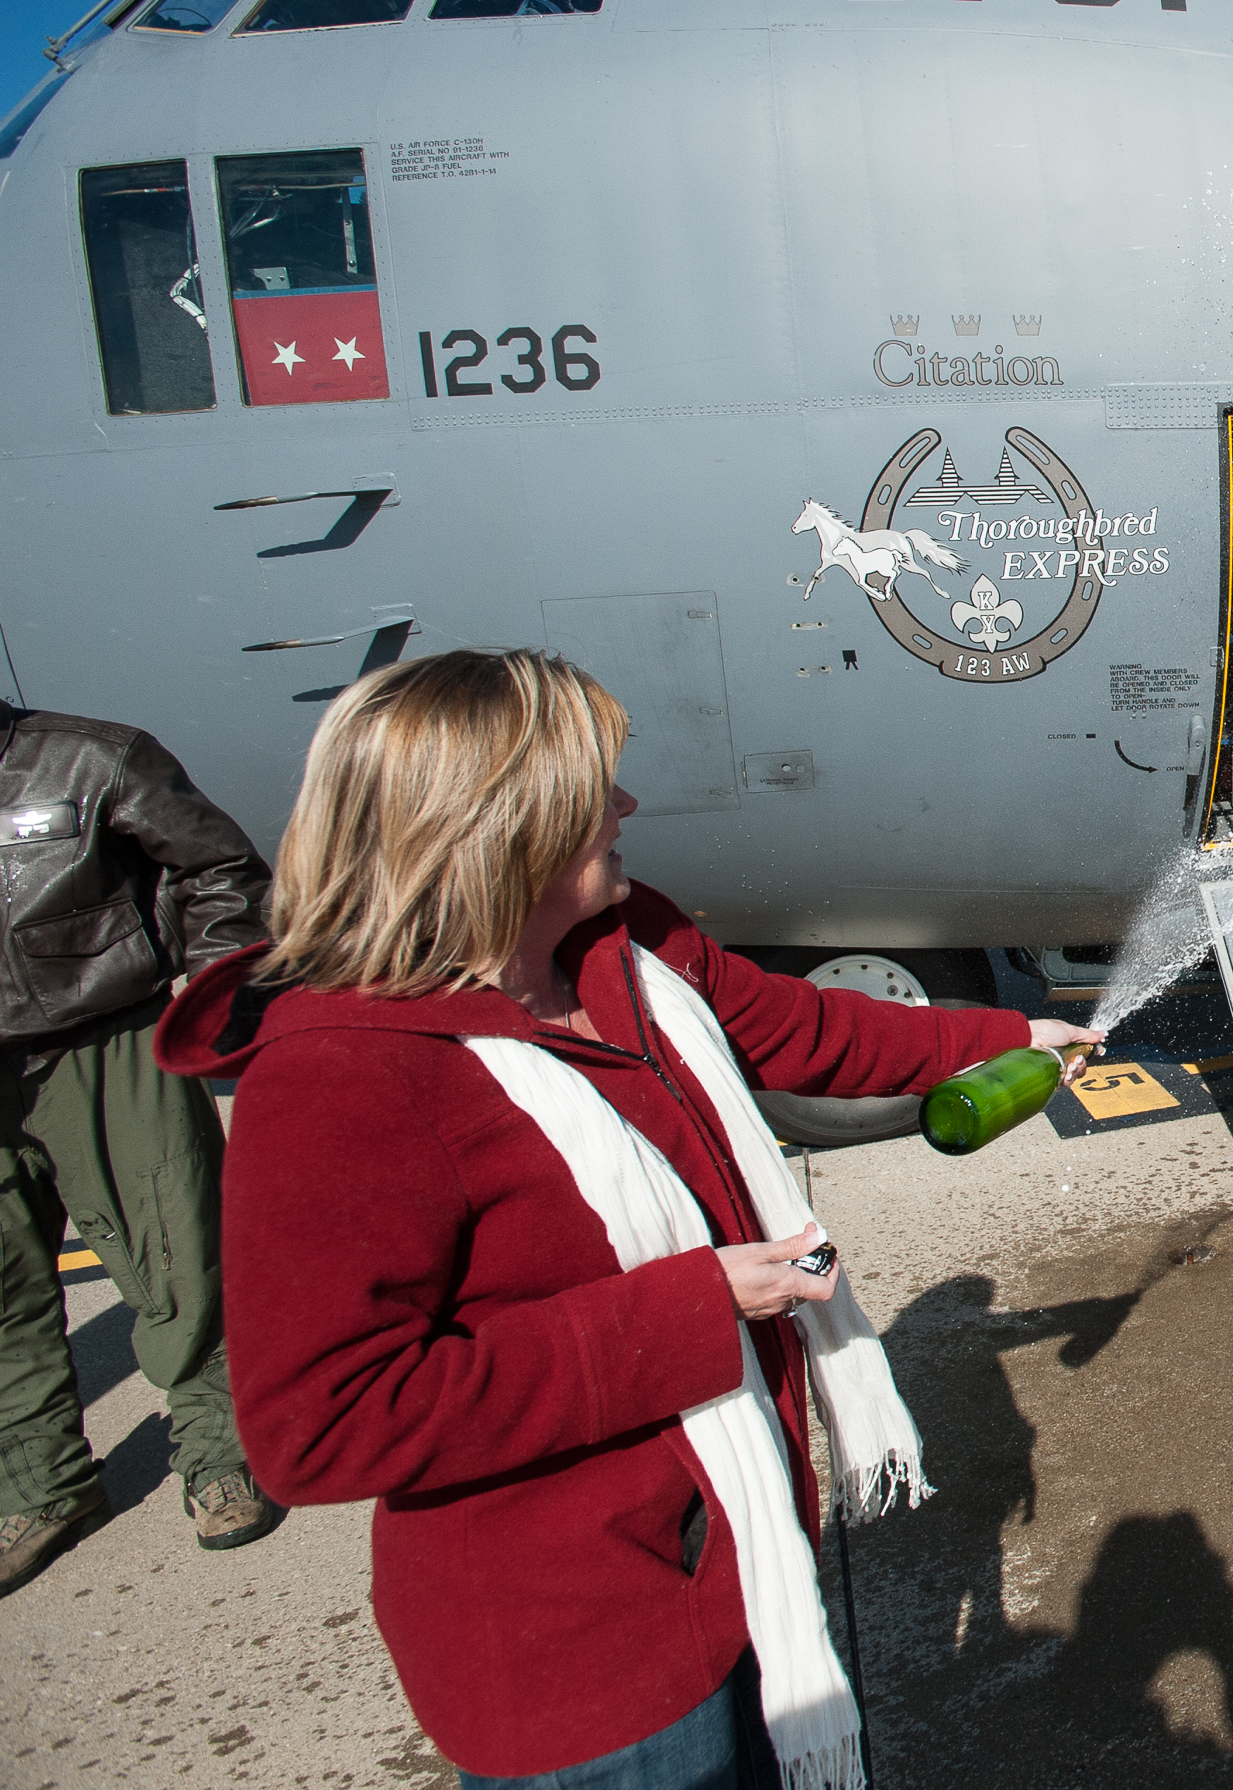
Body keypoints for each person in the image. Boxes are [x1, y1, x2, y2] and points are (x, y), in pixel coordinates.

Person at [156, 649, 1101, 1788]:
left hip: (737, 1559)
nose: (627, 807)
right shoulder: (338, 1077)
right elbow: (321, 1424)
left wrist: (1001, 1039)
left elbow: (803, 1030)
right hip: (580, 1666)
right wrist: (692, 1309)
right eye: (595, 788)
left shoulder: (623, 944)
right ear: (500, 827)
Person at [0, 699, 279, 1595]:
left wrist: (216, 980)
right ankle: (43, 1486)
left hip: (101, 1037)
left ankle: (221, 1459)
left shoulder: (92, 760)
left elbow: (224, 866)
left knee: (176, 1256)